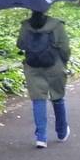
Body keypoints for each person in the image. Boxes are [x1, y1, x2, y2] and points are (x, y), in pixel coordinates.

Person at [17, 8, 71, 148]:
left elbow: (20, 45)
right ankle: (62, 132)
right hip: (55, 65)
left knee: (38, 100)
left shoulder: (25, 25)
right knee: (58, 97)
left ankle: (41, 138)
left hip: (33, 66)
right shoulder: (57, 25)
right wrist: (64, 61)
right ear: (46, 9)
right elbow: (65, 48)